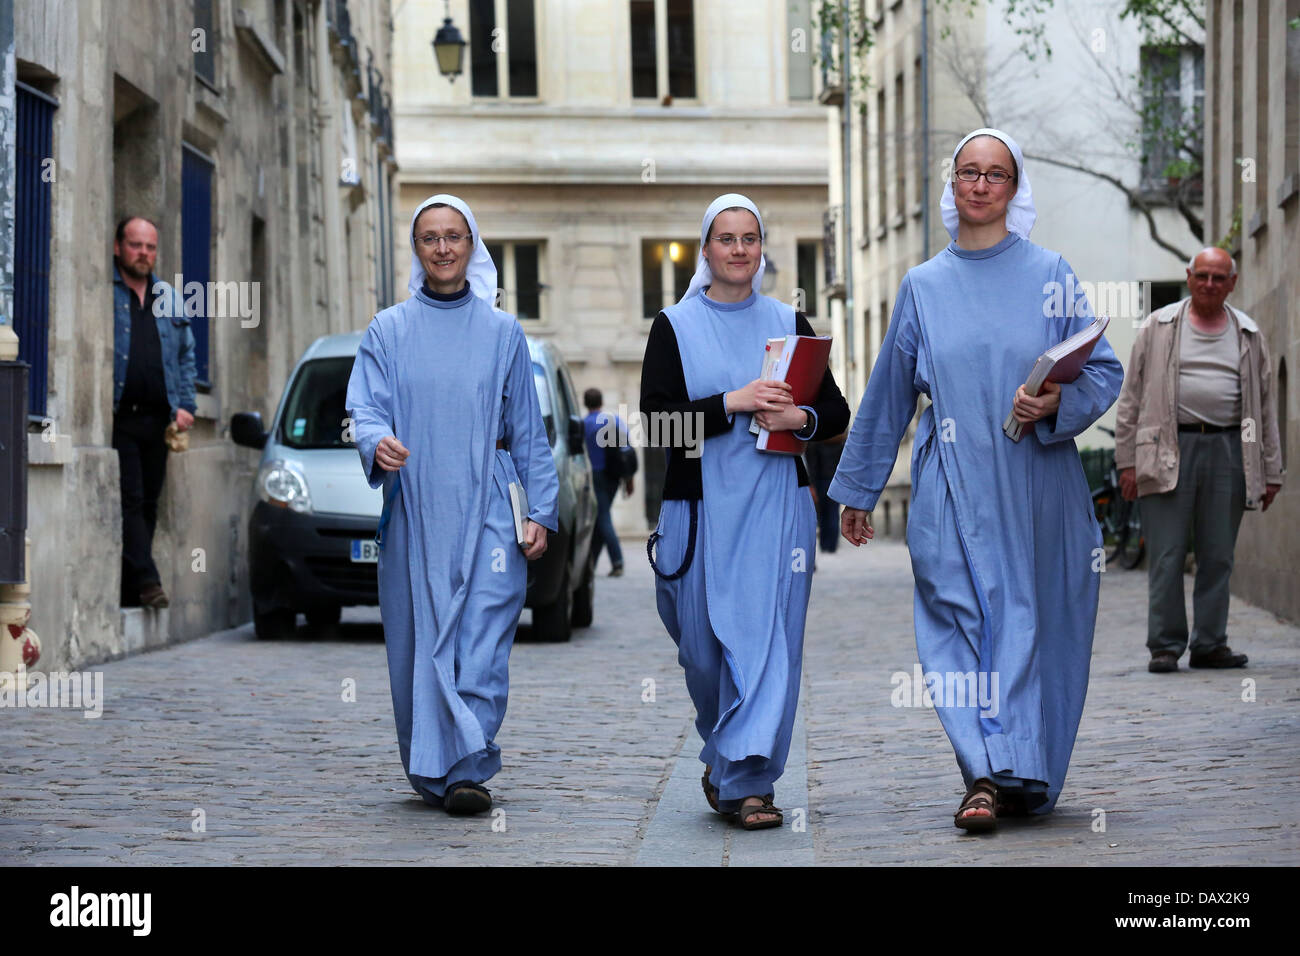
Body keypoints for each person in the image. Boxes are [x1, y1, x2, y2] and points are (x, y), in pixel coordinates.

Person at [828, 130, 1124, 831]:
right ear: (952, 184)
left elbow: (1104, 368)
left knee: (1026, 625)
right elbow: (889, 392)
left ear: (1015, 189)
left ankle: (1019, 768)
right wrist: (859, 491)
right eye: (970, 172)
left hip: (1034, 482)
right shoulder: (923, 286)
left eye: (997, 175)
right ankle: (986, 774)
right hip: (950, 485)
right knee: (956, 622)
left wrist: (1056, 403)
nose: (982, 185)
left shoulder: (1051, 273)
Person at [641, 193, 850, 830]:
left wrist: (799, 418)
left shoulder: (793, 322)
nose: (738, 250)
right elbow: (658, 424)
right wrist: (731, 400)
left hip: (776, 512)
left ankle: (752, 783)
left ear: (762, 250)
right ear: (705, 251)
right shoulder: (672, 325)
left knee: (769, 651)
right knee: (702, 652)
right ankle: (724, 754)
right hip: (700, 511)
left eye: (749, 239)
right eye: (725, 239)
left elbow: (836, 415)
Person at [346, 194, 559, 815]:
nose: (442, 248)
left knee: (485, 634)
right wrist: (374, 441)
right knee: (421, 636)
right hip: (416, 504)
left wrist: (539, 511)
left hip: (491, 502)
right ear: (416, 250)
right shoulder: (388, 329)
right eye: (430, 238)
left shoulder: (503, 331)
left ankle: (468, 765)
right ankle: (437, 767)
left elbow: (527, 429)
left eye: (454, 237)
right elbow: (365, 407)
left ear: (472, 247)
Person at [1115, 247, 1283, 674]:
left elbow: (1265, 407)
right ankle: (1166, 645)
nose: (1209, 284)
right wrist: (1126, 462)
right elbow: (1130, 398)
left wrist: (1271, 469)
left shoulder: (1247, 334)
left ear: (1232, 283)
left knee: (1218, 554)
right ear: (1189, 277)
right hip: (1167, 447)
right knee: (1168, 553)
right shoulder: (1159, 326)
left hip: (1229, 450)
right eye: (1202, 275)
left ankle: (1209, 643)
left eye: (1218, 278)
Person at [111, 216, 197, 609]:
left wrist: (185, 406)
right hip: (121, 417)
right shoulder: (106, 292)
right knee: (130, 499)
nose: (143, 253)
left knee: (148, 502)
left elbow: (185, 354)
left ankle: (133, 587)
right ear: (118, 247)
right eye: (135, 245)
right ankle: (148, 581)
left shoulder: (169, 297)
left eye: (149, 247)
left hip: (159, 421)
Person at [582, 387, 633, 577]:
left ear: (586, 403)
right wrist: (629, 479)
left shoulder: (584, 424)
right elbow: (626, 450)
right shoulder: (615, 420)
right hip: (613, 476)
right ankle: (591, 563)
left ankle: (617, 561)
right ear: (601, 401)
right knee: (600, 518)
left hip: (595, 476)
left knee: (602, 518)